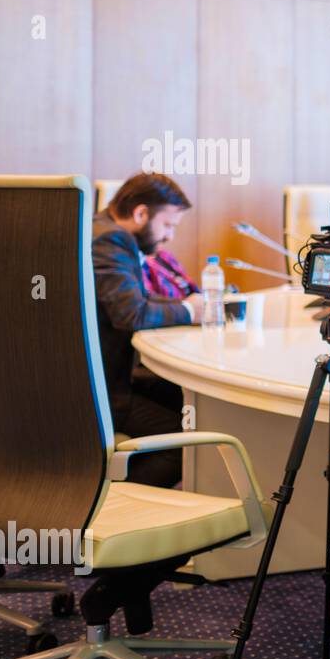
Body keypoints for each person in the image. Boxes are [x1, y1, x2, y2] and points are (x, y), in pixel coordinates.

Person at [93, 173, 202, 488]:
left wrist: (186, 305)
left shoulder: (103, 229)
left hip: (112, 375)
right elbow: (131, 313)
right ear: (141, 213)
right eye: (167, 225)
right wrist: (188, 311)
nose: (169, 236)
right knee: (186, 443)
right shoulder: (111, 241)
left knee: (187, 402)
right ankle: (110, 504)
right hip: (102, 391)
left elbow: (136, 299)